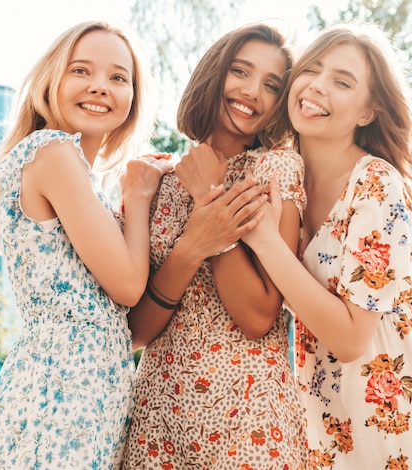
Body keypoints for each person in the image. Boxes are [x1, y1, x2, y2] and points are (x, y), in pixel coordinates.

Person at [235, 22, 412, 469]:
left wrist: (268, 243)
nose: (317, 86)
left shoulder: (375, 184)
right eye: (312, 69)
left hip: (399, 409)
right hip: (328, 414)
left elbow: (351, 338)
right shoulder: (283, 179)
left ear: (367, 112)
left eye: (342, 81)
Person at [0, 21, 173, 469]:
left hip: (84, 396)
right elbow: (127, 286)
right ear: (53, 80)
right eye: (81, 71)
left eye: (118, 77)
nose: (100, 87)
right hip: (59, 398)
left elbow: (121, 324)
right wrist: (139, 195)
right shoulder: (52, 152)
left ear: (133, 97)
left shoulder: (84, 181)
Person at [121, 23, 308, 469]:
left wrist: (210, 194)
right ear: (215, 72)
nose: (252, 92)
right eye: (240, 71)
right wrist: (189, 246)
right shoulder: (159, 180)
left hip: (247, 422)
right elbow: (136, 331)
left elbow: (258, 317)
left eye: (271, 85)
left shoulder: (276, 172)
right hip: (157, 422)